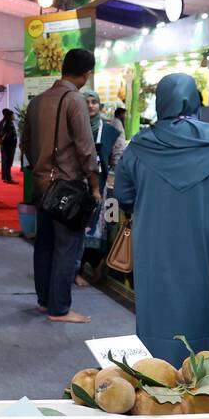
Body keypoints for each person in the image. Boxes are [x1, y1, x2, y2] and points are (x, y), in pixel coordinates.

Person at [112, 73, 209, 363]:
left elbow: (124, 196)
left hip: (155, 251)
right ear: (196, 100)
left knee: (159, 312)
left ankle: (159, 379)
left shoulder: (139, 147)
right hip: (208, 247)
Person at [24, 48, 99, 323]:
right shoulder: (74, 99)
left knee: (44, 244)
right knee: (67, 246)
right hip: (67, 188)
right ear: (86, 74)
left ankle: (45, 301)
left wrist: (42, 169)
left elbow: (26, 144)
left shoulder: (38, 101)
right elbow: (85, 148)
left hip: (42, 184)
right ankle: (60, 309)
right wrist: (94, 184)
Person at [77, 89, 126, 285]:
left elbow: (117, 159)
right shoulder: (76, 128)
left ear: (99, 105)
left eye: (94, 102)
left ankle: (97, 264)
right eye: (86, 102)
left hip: (102, 187)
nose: (90, 105)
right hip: (78, 186)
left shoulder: (111, 131)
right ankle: (78, 270)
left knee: (98, 229)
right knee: (79, 228)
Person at [0, 108, 18, 183]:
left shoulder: (3, 122)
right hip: (9, 146)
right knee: (8, 162)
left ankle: (5, 177)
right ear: (9, 116)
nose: (14, 116)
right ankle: (8, 178)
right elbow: (5, 135)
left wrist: (1, 140)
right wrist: (2, 140)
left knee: (5, 161)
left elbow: (0, 134)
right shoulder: (7, 123)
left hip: (6, 145)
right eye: (12, 115)